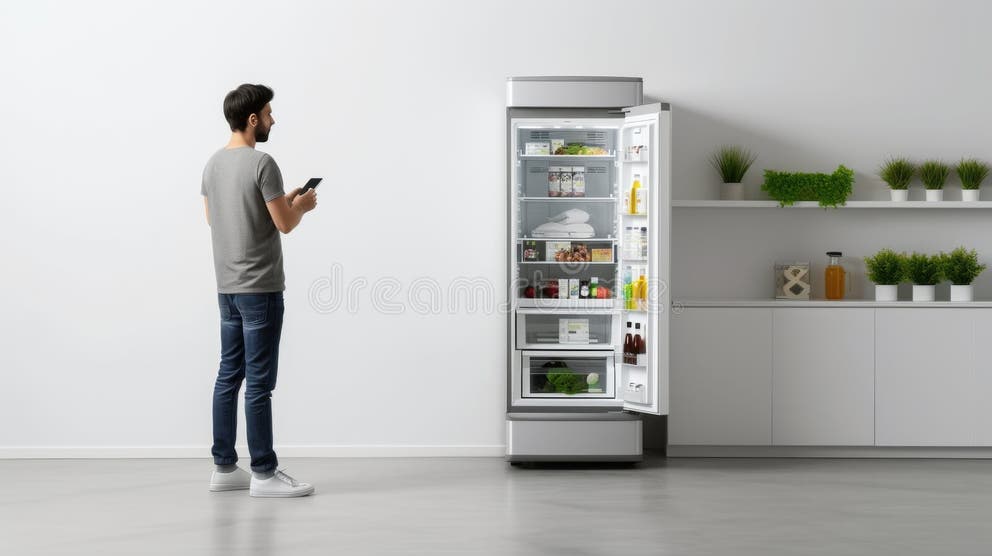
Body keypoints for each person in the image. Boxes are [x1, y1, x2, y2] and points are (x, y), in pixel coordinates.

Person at [201, 84, 317, 497]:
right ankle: (265, 473)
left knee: (228, 375)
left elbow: (218, 219)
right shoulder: (263, 162)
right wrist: (299, 206)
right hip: (261, 289)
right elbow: (283, 224)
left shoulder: (213, 164)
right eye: (268, 113)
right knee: (260, 383)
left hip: (227, 288)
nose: (272, 120)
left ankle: (224, 467)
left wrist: (280, 203)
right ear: (253, 120)